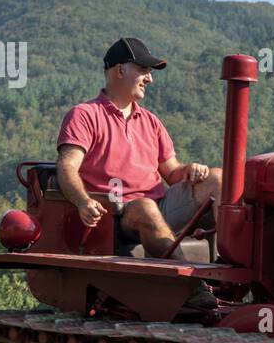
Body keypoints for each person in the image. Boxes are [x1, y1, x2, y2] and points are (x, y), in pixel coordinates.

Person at [56, 37, 222, 265]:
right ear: (120, 70)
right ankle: (190, 283)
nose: (150, 78)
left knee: (219, 178)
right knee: (145, 207)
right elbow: (67, 167)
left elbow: (172, 172)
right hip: (117, 214)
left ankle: (229, 266)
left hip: (158, 206)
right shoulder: (84, 115)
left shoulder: (151, 122)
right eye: (144, 69)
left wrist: (190, 170)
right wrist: (82, 201)